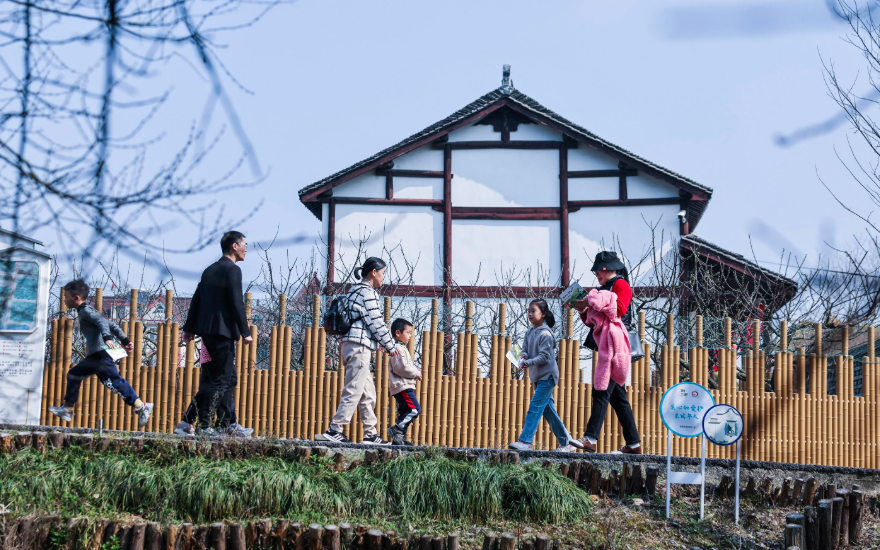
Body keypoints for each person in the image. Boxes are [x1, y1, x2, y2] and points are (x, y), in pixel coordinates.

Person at [176, 230, 254, 436]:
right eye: (245, 244)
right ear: (234, 246)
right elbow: (237, 303)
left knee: (219, 379)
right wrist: (245, 331)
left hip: (207, 333)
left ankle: (190, 423)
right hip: (223, 332)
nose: (247, 249)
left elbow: (196, 299)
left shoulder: (209, 270)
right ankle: (206, 425)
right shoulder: (233, 270)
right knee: (221, 380)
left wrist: (189, 328)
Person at [316, 257, 400, 445]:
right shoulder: (367, 292)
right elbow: (376, 322)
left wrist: (375, 342)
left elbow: (362, 322)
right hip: (358, 347)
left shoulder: (354, 291)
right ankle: (334, 430)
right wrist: (390, 346)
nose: (383, 277)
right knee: (354, 389)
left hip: (352, 344)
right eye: (383, 273)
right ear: (374, 272)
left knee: (367, 393)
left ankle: (370, 434)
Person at [48, 279, 154, 426]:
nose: (65, 300)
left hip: (100, 356)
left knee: (114, 382)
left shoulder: (85, 311)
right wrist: (125, 341)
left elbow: (103, 323)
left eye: (66, 297)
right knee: (74, 375)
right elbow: (111, 324)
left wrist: (107, 338)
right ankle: (67, 409)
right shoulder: (86, 311)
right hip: (94, 357)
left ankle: (141, 406)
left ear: (76, 297)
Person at [573, 251, 642, 454]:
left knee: (601, 391)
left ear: (608, 268)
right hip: (606, 344)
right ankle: (634, 444)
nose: (597, 274)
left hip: (616, 345)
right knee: (618, 399)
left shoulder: (621, 284)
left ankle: (591, 438)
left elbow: (619, 309)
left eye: (598, 271)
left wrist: (593, 301)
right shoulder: (602, 289)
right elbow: (593, 321)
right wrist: (583, 309)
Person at [508, 299, 583, 452]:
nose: (529, 314)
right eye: (528, 311)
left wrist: (527, 362)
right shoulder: (530, 331)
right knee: (549, 412)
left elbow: (545, 356)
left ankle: (525, 441)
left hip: (547, 377)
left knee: (535, 407)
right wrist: (522, 357)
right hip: (537, 376)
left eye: (533, 311)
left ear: (543, 314)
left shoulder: (546, 334)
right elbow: (525, 350)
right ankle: (567, 442)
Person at [387, 318, 421, 446]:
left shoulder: (401, 348)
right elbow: (401, 368)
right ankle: (397, 430)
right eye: (408, 332)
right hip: (402, 386)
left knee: (405, 412)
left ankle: (398, 439)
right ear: (397, 333)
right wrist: (416, 373)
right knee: (414, 409)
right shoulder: (397, 349)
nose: (410, 336)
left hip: (404, 385)